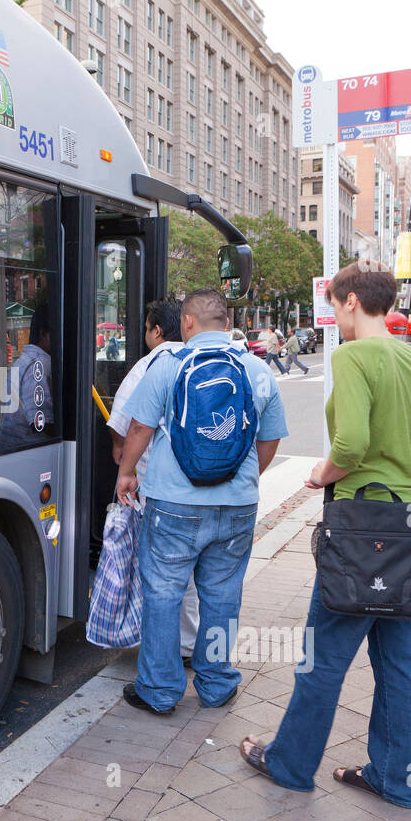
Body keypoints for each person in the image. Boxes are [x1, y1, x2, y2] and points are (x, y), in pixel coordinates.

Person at [239, 262, 411, 809]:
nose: (335, 318)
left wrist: (320, 473)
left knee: (321, 653)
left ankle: (291, 763)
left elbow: (350, 444)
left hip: (362, 531)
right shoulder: (409, 357)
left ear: (352, 301)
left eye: (335, 304)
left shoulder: (352, 356)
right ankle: (398, 779)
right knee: (400, 658)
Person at [114, 289, 287, 713]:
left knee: (163, 592)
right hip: (237, 505)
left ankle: (159, 690)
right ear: (226, 324)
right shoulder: (257, 370)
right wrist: (244, 479)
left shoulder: (167, 366)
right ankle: (215, 683)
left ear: (186, 323)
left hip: (173, 504)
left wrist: (127, 473)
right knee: (223, 594)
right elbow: (270, 438)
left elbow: (138, 429)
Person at [105, 299, 200, 664]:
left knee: (160, 574)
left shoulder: (151, 364)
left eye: (146, 327)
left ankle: (160, 661)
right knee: (195, 575)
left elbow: (127, 425)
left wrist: (125, 467)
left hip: (157, 489)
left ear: (157, 331)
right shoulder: (201, 362)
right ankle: (192, 646)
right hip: (204, 488)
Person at [0, 305, 54, 451]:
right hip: (26, 453)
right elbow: (40, 423)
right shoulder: (39, 364)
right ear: (43, 334)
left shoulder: (25, 360)